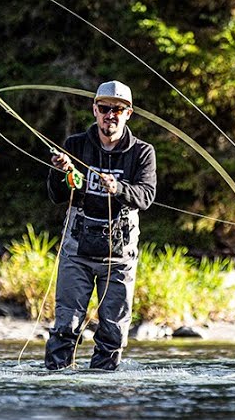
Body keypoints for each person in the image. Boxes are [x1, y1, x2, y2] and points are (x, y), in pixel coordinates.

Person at [44, 80, 157, 370]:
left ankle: (103, 388)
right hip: (76, 250)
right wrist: (59, 172)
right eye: (105, 108)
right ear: (94, 109)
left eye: (117, 110)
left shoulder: (142, 152)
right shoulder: (75, 145)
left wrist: (118, 188)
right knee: (65, 327)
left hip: (120, 257)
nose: (110, 115)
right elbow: (57, 196)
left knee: (113, 333)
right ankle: (57, 386)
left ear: (128, 114)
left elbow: (146, 196)